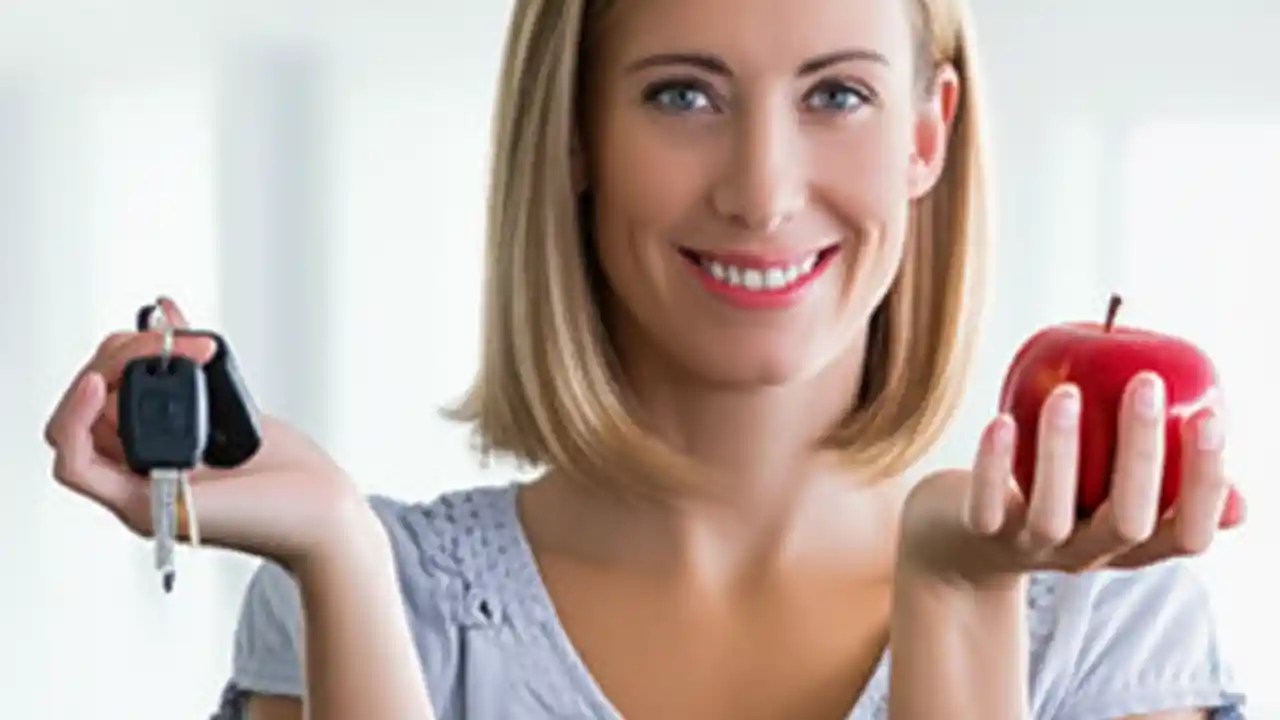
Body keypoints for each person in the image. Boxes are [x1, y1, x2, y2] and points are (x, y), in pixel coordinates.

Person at [42, 0, 1250, 717]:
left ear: (925, 136)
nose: (761, 192)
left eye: (834, 97)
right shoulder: (368, 601)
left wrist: (955, 595)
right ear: (574, 133)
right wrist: (341, 562)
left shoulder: (1106, 627)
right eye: (681, 96)